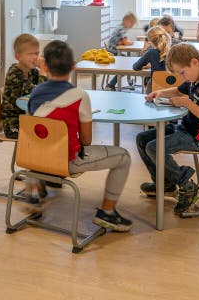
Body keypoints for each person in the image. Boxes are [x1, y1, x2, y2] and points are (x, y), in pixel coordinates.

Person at [28, 40, 133, 232]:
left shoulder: (35, 92)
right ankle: (107, 212)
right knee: (124, 157)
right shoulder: (80, 95)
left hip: (35, 158)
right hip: (66, 161)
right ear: (74, 66)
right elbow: (86, 140)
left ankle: (36, 189)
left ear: (45, 66)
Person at [138, 43, 199, 214]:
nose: (181, 77)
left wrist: (188, 103)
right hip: (185, 129)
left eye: (182, 72)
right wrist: (160, 93)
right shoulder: (195, 78)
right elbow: (179, 90)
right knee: (142, 139)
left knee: (154, 148)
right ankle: (165, 184)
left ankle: (187, 186)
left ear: (194, 62)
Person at [1, 34, 47, 139]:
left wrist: (46, 71)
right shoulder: (14, 74)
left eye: (37, 53)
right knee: (45, 135)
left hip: (27, 118)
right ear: (18, 57)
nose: (35, 57)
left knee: (53, 130)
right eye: (30, 54)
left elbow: (47, 88)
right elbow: (39, 94)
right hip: (13, 125)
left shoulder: (32, 71)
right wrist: (43, 71)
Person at [105, 11, 137, 90]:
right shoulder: (122, 29)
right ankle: (111, 84)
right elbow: (125, 42)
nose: (131, 26)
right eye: (131, 24)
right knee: (127, 65)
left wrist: (122, 42)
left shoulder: (119, 27)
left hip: (110, 51)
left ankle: (124, 81)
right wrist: (131, 43)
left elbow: (122, 41)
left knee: (127, 62)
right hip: (112, 53)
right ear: (126, 21)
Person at [133, 26, 170, 93]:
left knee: (148, 81)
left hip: (156, 87)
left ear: (151, 41)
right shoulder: (172, 51)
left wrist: (145, 65)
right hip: (172, 85)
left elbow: (136, 67)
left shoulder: (151, 53)